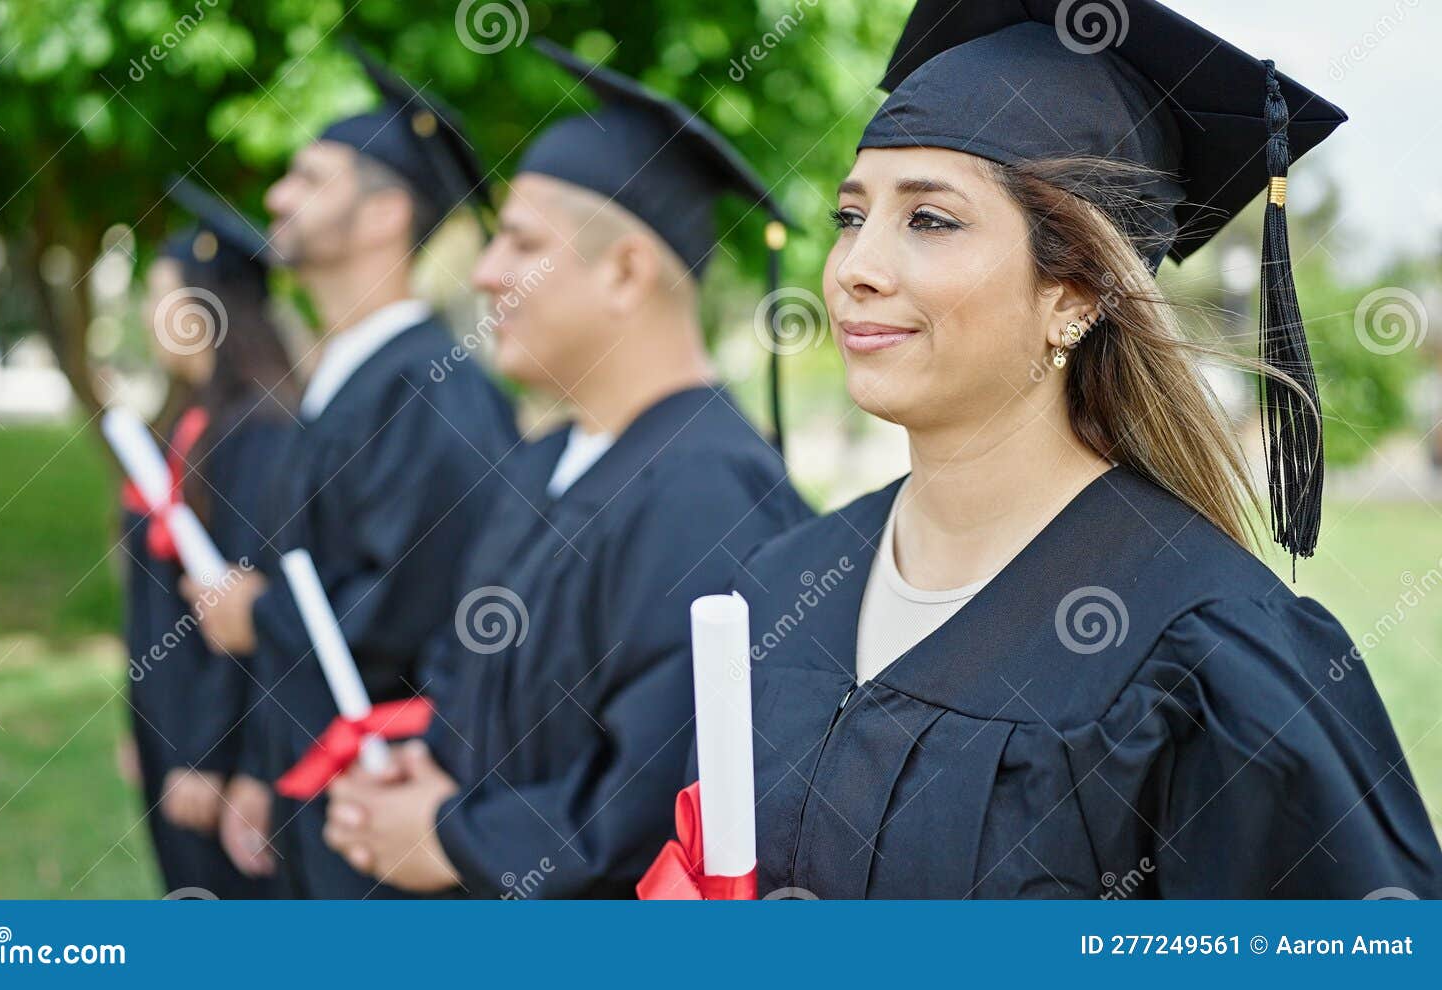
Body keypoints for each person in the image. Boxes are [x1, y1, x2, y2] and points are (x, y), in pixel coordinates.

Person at [655, 0, 1442, 898]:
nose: (854, 267)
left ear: (1076, 292)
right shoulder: (782, 584)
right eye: (849, 217)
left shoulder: (1206, 655)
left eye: (931, 220)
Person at [319, 39, 813, 899]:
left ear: (626, 271)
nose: (483, 272)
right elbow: (475, 677)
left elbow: (663, 800)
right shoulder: (547, 458)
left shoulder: (709, 494)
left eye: (519, 242)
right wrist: (419, 771)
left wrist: (451, 839)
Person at [184, 51, 518, 898]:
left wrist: (260, 611)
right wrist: (263, 767)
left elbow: (415, 603)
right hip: (316, 792)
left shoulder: (435, 392)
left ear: (385, 214)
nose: (276, 198)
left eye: (310, 179)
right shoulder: (344, 384)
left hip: (391, 808)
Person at [121, 182, 297, 898]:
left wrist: (211, 756)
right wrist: (143, 729)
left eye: (163, 294)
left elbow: (245, 612)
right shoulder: (183, 425)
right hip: (169, 731)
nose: (148, 313)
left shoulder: (259, 435)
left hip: (214, 755)